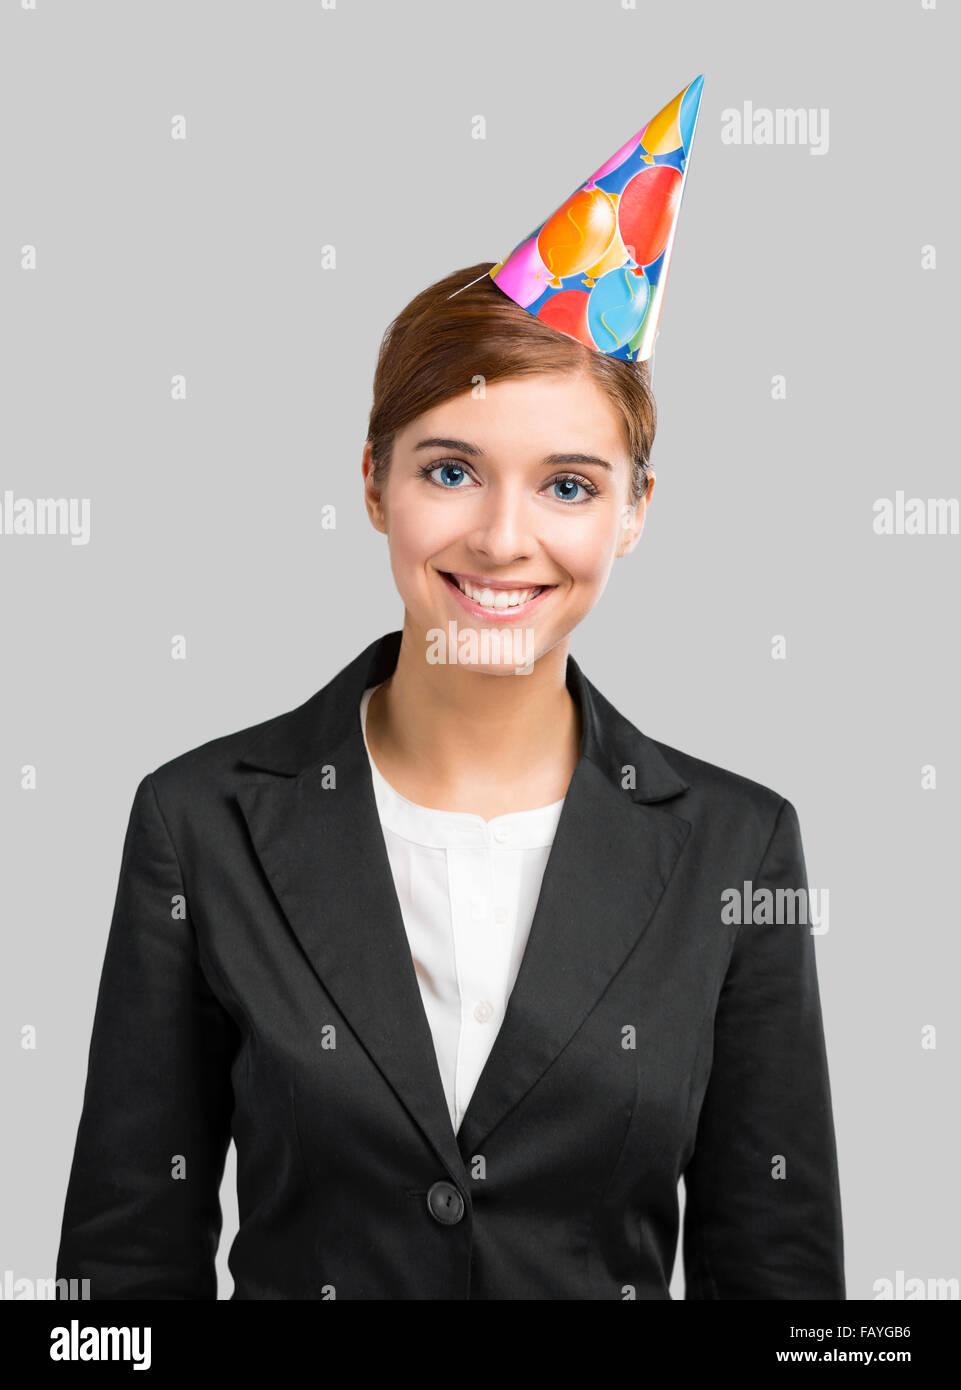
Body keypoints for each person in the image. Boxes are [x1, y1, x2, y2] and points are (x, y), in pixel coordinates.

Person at [56, 77, 845, 1300]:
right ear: (372, 483)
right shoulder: (198, 820)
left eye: (569, 485)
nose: (502, 537)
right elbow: (111, 1295)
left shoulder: (738, 846)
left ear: (636, 511)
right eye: (450, 469)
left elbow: (790, 1303)